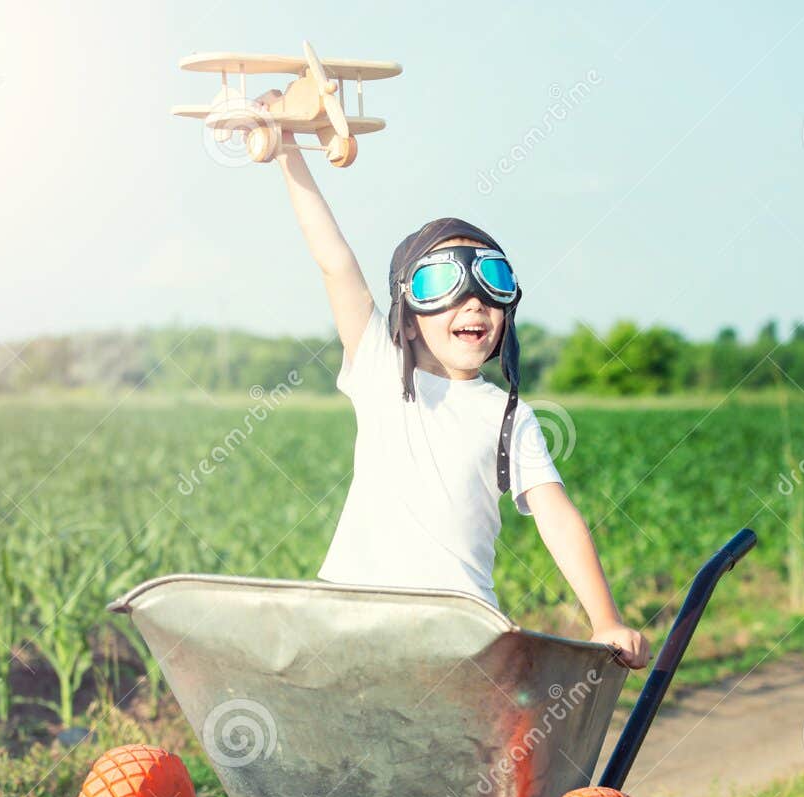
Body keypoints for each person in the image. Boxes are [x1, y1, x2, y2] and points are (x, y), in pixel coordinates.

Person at [255, 97, 650, 668]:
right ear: (406, 317)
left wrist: (605, 619)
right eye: (442, 283)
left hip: (461, 636)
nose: (473, 303)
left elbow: (556, 515)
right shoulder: (379, 368)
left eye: (490, 285)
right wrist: (287, 151)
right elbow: (336, 263)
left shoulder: (507, 415)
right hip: (353, 619)